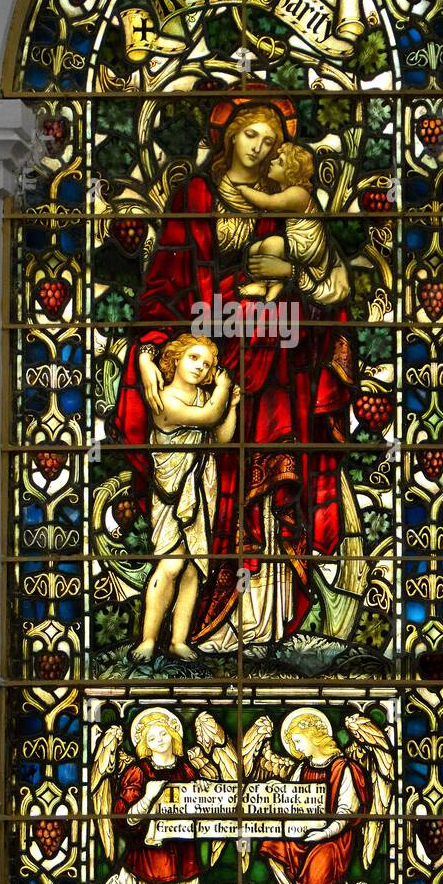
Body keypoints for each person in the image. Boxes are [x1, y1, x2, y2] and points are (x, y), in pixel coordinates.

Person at [112, 96, 355, 653]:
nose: (260, 147)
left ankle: (262, 620)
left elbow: (322, 283)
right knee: (214, 480)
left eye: (271, 141)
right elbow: (163, 286)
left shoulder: (282, 201)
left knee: (271, 481)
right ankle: (204, 626)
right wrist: (152, 349)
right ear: (230, 137)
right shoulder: (195, 196)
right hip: (210, 353)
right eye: (251, 135)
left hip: (275, 360)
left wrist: (288, 272)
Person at [133, 334, 240, 662]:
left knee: (194, 567)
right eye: (193, 358)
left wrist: (231, 406)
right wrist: (223, 390)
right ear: (175, 359)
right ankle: (148, 639)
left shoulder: (208, 398)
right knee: (171, 564)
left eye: (206, 364)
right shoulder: (164, 400)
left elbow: (219, 436)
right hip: (171, 495)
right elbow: (208, 418)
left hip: (201, 492)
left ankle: (179, 641)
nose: (199, 367)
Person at [258, 709, 380, 884]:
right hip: (304, 832)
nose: (296, 748)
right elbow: (292, 799)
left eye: (299, 741)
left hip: (333, 839)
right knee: (271, 845)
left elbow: (347, 812)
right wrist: (276, 790)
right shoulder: (302, 768)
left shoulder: (343, 768)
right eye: (293, 743)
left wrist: (324, 833)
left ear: (313, 738)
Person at [97, 710, 201, 884]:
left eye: (163, 733)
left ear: (173, 734)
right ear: (146, 744)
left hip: (184, 852)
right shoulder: (138, 771)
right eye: (152, 738)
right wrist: (148, 797)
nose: (159, 740)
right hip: (150, 858)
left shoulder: (187, 770)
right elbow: (124, 819)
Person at [236, 143, 334, 302]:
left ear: (291, 173)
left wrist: (244, 190)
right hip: (296, 243)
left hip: (307, 247)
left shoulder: (297, 193)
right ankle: (264, 282)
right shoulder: (290, 193)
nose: (273, 162)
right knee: (253, 249)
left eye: (280, 162)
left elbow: (268, 202)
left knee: (273, 244)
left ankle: (271, 284)